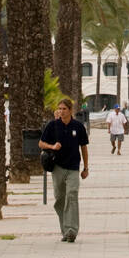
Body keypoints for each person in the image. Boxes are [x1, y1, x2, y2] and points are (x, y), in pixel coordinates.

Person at [39, 97, 89, 242]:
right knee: (60, 200)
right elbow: (41, 143)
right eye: (59, 109)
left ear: (70, 110)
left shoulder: (78, 127)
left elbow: (84, 148)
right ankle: (65, 230)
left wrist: (85, 168)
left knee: (72, 196)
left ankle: (72, 230)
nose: (61, 111)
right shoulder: (52, 125)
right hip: (57, 168)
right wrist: (52, 147)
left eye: (64, 109)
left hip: (73, 168)